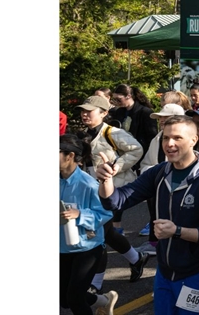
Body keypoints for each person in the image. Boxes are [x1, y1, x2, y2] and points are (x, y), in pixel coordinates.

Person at [98, 115, 199, 315]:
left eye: (177, 138)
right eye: (165, 138)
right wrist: (106, 180)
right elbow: (116, 201)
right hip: (166, 271)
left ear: (193, 140)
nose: (169, 144)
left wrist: (177, 231)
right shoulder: (161, 172)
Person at [77, 95, 150, 288]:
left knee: (99, 233)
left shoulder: (113, 132)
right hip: (90, 191)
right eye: (83, 110)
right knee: (107, 233)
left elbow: (136, 149)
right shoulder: (83, 134)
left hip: (111, 190)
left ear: (103, 113)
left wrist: (116, 167)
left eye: (89, 111)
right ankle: (137, 258)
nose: (84, 114)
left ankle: (96, 285)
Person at [60, 133, 118, 315]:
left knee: (75, 299)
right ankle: (104, 300)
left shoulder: (88, 183)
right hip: (62, 247)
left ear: (69, 156)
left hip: (87, 248)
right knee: (63, 298)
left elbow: (107, 212)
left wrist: (80, 214)